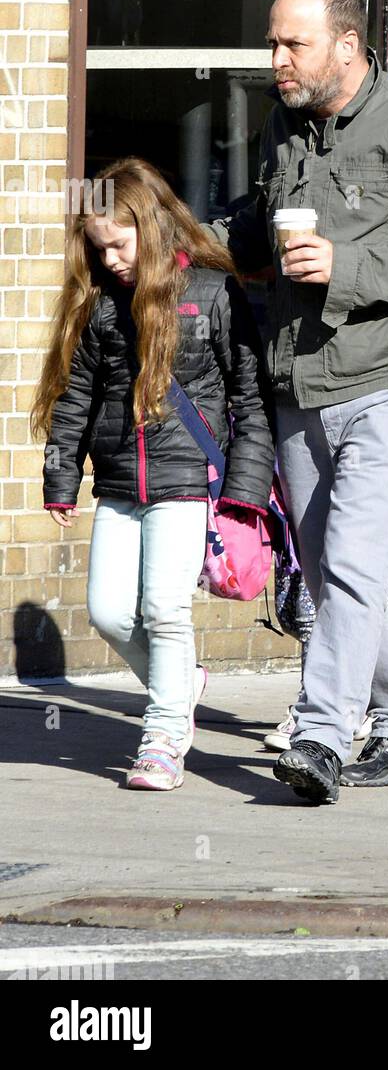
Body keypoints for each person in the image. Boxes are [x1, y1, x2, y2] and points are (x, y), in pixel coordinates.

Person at [212, 0, 388, 804]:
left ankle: (321, 734)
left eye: (292, 44)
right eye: (272, 43)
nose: (276, 60)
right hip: (303, 378)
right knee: (334, 576)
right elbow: (260, 225)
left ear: (346, 45)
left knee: (356, 565)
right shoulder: (282, 127)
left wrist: (348, 267)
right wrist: (181, 239)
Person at [33, 158, 275, 791]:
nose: (110, 259)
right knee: (110, 612)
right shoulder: (101, 308)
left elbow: (251, 399)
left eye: (119, 242)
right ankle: (181, 683)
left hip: (187, 482)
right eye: (98, 248)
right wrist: (61, 477)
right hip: (117, 484)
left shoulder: (215, 294)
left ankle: (164, 737)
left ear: (154, 224)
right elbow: (75, 399)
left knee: (165, 608)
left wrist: (245, 495)